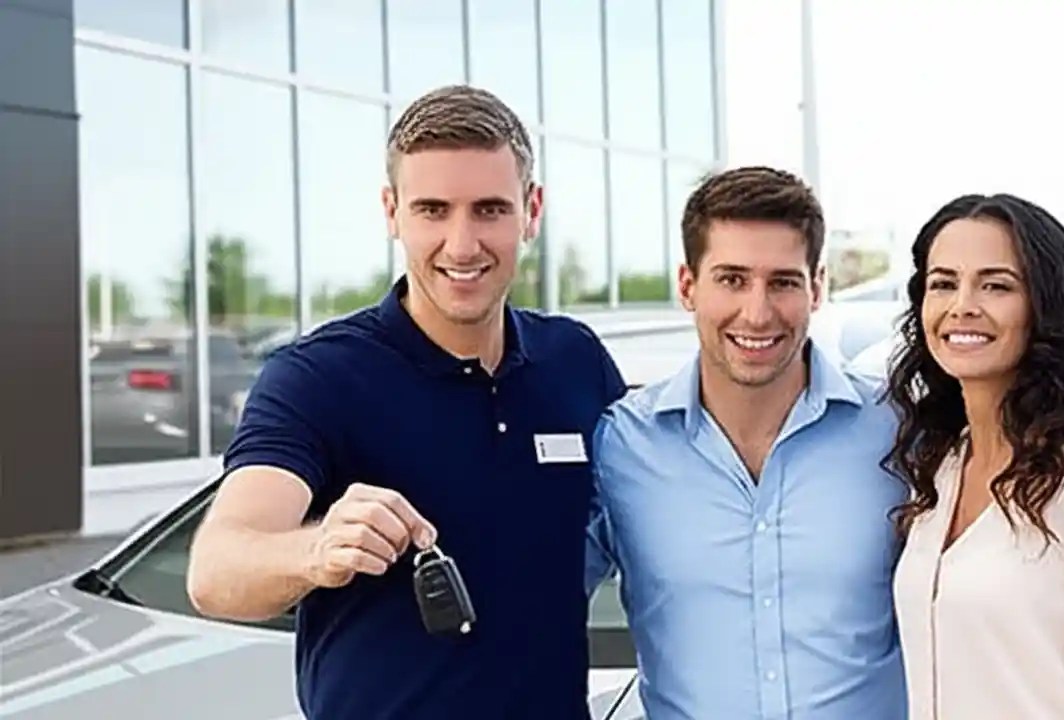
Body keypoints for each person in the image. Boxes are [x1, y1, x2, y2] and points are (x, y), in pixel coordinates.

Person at [186, 85, 626, 720]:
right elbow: (215, 571)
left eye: (489, 210)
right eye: (433, 210)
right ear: (392, 212)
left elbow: (657, 522)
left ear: (532, 210)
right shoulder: (318, 378)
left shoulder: (576, 361)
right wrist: (315, 550)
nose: (462, 243)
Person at [587, 166, 909, 719]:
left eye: (782, 282)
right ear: (688, 286)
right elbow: (529, 598)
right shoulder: (621, 446)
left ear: (817, 287)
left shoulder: (900, 432)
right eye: (732, 279)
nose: (757, 313)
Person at [885, 193, 1064, 720]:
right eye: (943, 283)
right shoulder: (940, 471)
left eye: (996, 285)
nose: (962, 305)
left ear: (1044, 307)